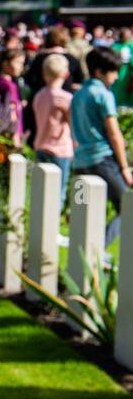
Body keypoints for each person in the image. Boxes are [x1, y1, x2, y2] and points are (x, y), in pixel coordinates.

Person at [71, 46, 131, 249]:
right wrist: (124, 168)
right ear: (99, 72)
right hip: (102, 160)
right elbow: (114, 133)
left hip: (80, 161)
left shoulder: (78, 95)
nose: (115, 77)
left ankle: (80, 254)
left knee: (85, 210)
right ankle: (99, 251)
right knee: (128, 207)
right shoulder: (104, 95)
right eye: (113, 72)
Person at [32, 53, 74, 215]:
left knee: (42, 191)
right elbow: (73, 125)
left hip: (40, 144)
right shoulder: (65, 98)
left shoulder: (40, 95)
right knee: (58, 193)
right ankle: (52, 227)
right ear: (66, 74)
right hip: (60, 148)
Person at [0, 48, 26, 145]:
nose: (21, 66)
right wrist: (15, 139)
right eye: (18, 62)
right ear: (5, 64)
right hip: (9, 135)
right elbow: (11, 113)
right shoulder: (9, 86)